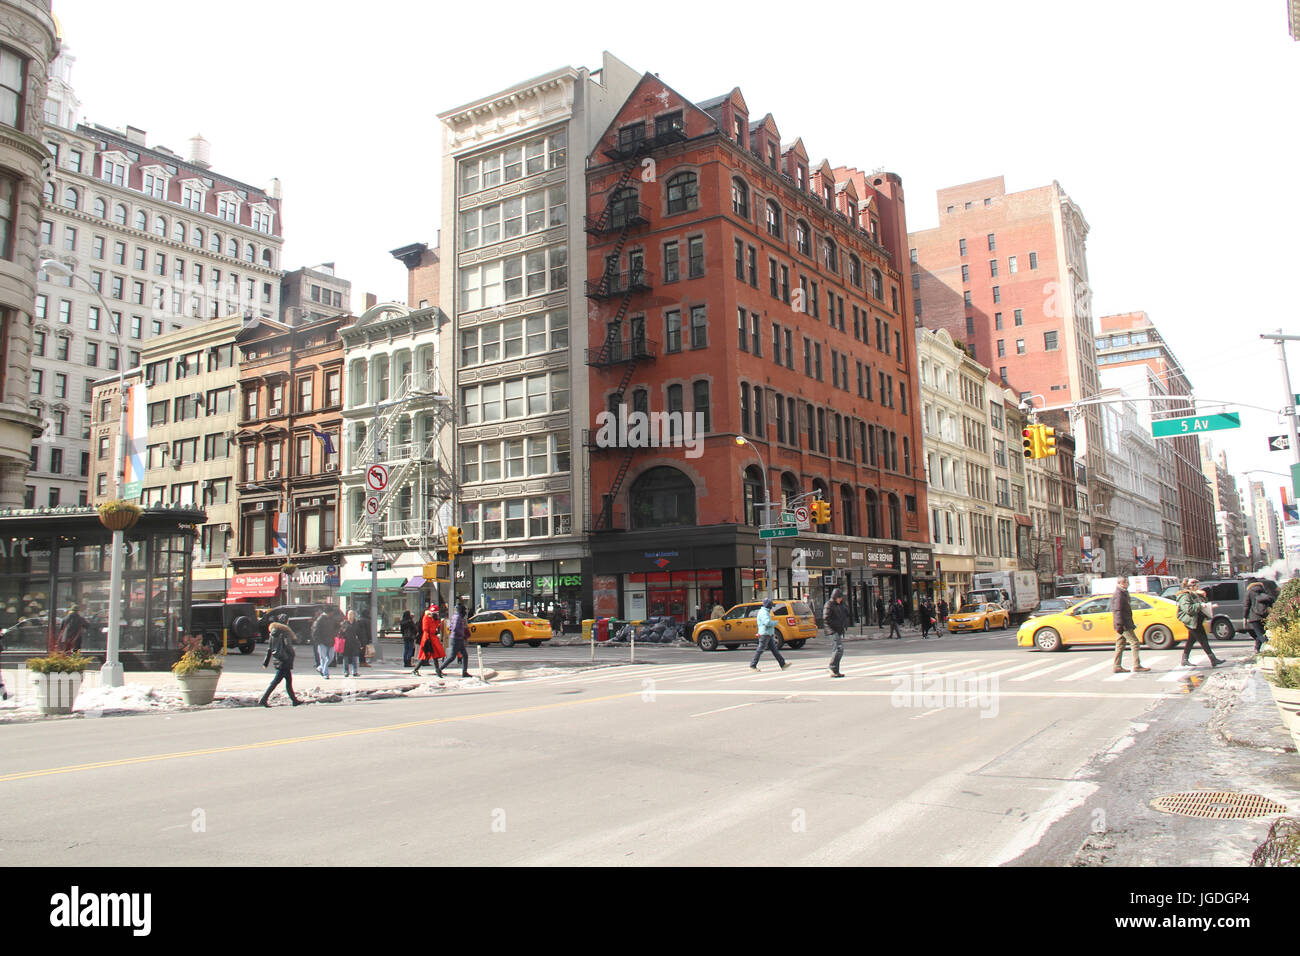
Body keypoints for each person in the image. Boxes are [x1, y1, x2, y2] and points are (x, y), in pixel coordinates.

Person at [1175, 579, 1222, 668]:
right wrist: (1200, 605)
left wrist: (1204, 598)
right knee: (1203, 640)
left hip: (1196, 621)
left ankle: (1184, 659)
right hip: (1191, 621)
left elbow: (1202, 604)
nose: (1198, 588)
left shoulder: (1194, 595)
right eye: (1197, 586)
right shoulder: (1184, 595)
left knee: (1191, 640)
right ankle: (1213, 660)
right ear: (1191, 586)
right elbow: (1188, 609)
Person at [1110, 576, 1149, 674]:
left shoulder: (1122, 593)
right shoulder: (1119, 594)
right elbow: (1117, 610)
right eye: (1127, 583)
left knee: (1120, 645)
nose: (1128, 585)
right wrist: (1119, 625)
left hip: (1122, 623)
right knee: (1135, 643)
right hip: (1123, 624)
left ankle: (1117, 666)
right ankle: (1137, 665)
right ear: (1122, 583)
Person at [260, 615, 301, 706]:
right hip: (284, 660)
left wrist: (266, 662)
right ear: (286, 622)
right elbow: (288, 646)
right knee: (275, 682)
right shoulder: (285, 632)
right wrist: (292, 654)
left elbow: (270, 649)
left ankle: (294, 700)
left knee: (288, 681)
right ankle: (263, 699)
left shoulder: (273, 633)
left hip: (278, 659)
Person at [749, 598, 789, 672]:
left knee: (774, 650)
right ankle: (752, 665)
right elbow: (767, 622)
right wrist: (775, 623)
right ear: (769, 606)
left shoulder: (764, 611)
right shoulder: (764, 612)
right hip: (765, 634)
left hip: (767, 633)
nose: (771, 607)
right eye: (771, 605)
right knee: (760, 650)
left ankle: (782, 664)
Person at [822, 588, 851, 678]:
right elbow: (826, 618)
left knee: (837, 649)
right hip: (831, 630)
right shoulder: (829, 604)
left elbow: (847, 613)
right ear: (835, 597)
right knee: (839, 648)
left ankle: (835, 671)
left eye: (841, 598)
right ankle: (832, 666)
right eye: (839, 598)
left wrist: (844, 605)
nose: (840, 599)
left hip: (838, 629)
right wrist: (835, 625)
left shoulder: (840, 605)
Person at [1244, 578, 1275, 653]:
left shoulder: (1249, 592)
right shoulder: (1263, 590)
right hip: (1265, 616)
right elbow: (1271, 602)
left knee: (1260, 634)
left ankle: (1269, 646)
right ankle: (1257, 648)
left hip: (1254, 617)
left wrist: (1245, 617)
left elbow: (1246, 606)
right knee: (1261, 633)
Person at [413, 607, 445, 678]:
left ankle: (437, 671)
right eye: (435, 613)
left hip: (432, 638)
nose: (436, 614)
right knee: (425, 655)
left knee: (435, 655)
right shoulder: (426, 618)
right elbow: (425, 629)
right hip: (428, 639)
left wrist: (436, 621)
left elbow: (435, 627)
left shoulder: (433, 619)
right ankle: (415, 669)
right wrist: (434, 628)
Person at [442, 603, 471, 678]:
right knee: (452, 657)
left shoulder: (456, 617)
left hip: (458, 638)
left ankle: (464, 672)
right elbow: (454, 628)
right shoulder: (458, 617)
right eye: (464, 610)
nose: (465, 612)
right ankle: (440, 669)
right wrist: (462, 634)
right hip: (456, 639)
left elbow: (451, 628)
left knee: (465, 655)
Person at [311, 607, 340, 679]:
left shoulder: (332, 619)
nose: (332, 614)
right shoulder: (320, 619)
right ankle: (325, 673)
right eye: (331, 612)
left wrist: (336, 632)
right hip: (322, 642)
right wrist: (318, 641)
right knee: (323, 658)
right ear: (328, 612)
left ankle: (321, 668)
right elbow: (315, 630)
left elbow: (336, 626)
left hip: (330, 641)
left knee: (330, 657)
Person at [341, 611, 363, 678]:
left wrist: (361, 642)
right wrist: (342, 631)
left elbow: (359, 633)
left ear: (354, 615)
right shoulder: (344, 623)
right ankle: (346, 672)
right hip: (346, 643)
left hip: (354, 642)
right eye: (349, 614)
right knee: (346, 658)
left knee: (355, 657)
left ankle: (354, 671)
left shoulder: (356, 623)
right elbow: (340, 632)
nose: (350, 616)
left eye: (351, 614)